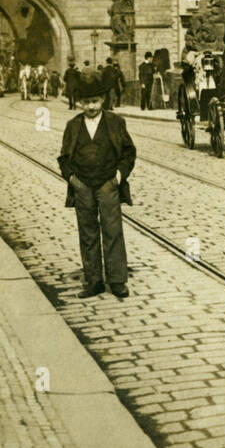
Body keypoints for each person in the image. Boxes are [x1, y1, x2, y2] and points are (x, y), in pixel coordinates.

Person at [58, 68, 137, 300]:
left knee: (112, 231)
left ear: (103, 99)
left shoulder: (115, 122)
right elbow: (63, 158)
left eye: (94, 101)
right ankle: (94, 281)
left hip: (107, 184)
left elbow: (128, 152)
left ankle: (117, 280)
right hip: (82, 185)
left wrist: (119, 177)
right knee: (88, 232)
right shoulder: (73, 126)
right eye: (86, 102)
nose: (91, 107)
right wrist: (73, 180)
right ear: (80, 102)